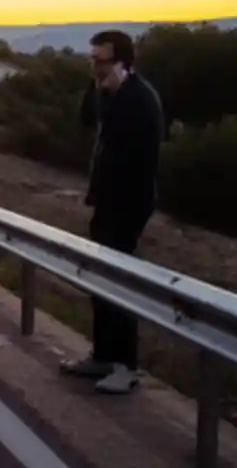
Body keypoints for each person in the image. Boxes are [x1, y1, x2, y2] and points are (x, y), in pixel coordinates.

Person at [60, 30, 164, 394]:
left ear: (124, 63)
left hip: (129, 202)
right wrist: (97, 87)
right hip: (107, 201)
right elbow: (86, 120)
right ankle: (103, 355)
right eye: (93, 61)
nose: (97, 68)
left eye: (103, 62)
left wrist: (111, 94)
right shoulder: (110, 93)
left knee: (117, 280)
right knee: (100, 280)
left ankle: (126, 364)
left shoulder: (139, 100)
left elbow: (133, 156)